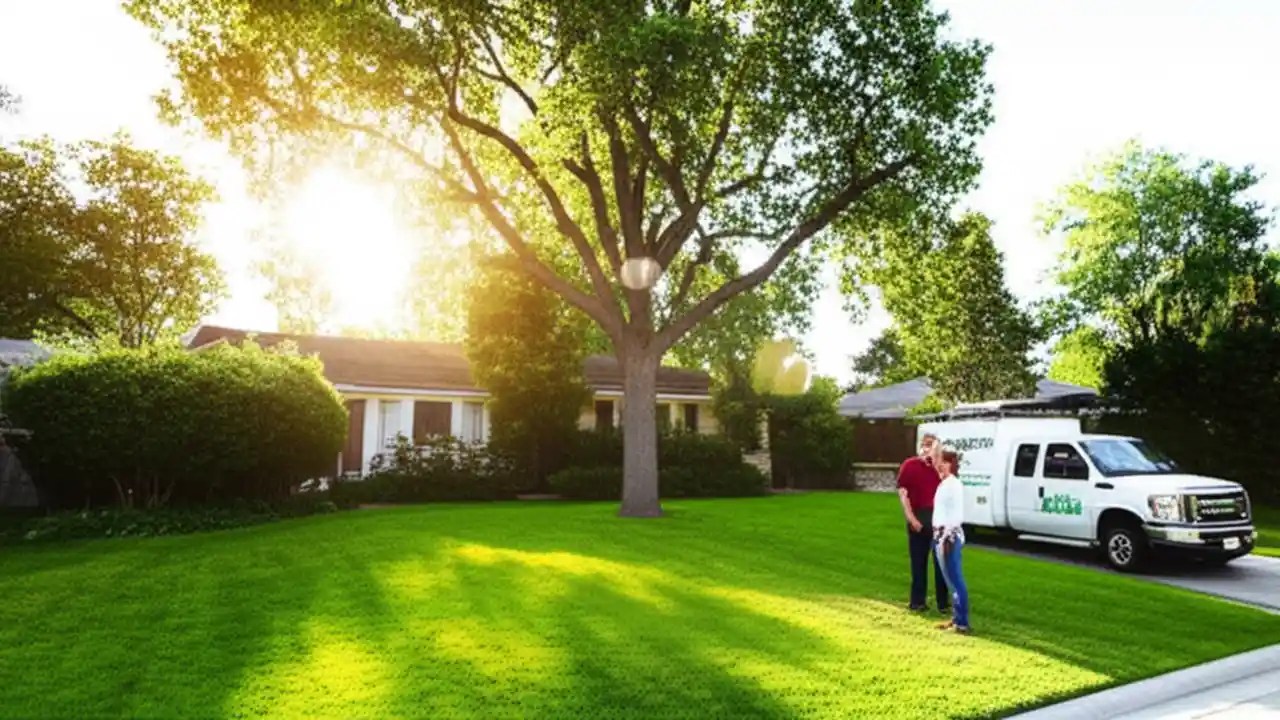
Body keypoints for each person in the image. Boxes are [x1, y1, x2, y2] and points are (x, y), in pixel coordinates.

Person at [896, 433, 949, 613]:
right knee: (918, 564)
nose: (928, 448)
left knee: (941, 563)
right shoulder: (909, 466)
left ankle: (944, 603)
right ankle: (917, 601)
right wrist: (912, 519)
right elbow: (903, 495)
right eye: (925, 444)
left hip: (938, 519)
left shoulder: (940, 469)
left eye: (932, 445)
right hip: (919, 517)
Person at [933, 450, 970, 634]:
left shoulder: (954, 484)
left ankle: (962, 622)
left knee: (956, 580)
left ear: (952, 465)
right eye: (940, 462)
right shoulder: (944, 484)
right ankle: (956, 618)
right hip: (941, 535)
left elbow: (957, 514)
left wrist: (947, 534)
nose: (941, 465)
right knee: (950, 581)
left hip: (949, 536)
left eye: (946, 462)